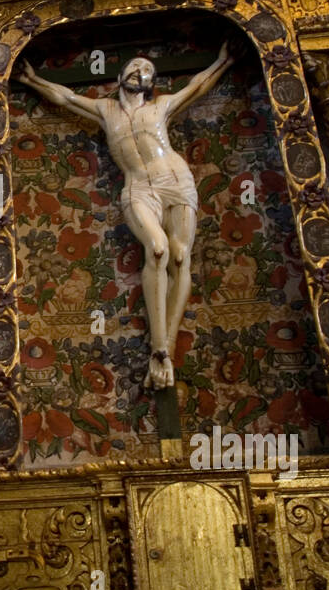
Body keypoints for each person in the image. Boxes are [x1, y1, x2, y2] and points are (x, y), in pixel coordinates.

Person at [19, 41, 235, 388]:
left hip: (175, 181)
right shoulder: (106, 111)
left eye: (147, 70)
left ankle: (163, 349)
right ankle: (160, 346)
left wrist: (221, 62)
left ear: (151, 83)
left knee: (180, 257)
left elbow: (196, 86)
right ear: (120, 76)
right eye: (134, 67)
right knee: (158, 248)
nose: (140, 72)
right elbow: (67, 98)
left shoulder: (161, 107)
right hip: (138, 188)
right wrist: (33, 81)